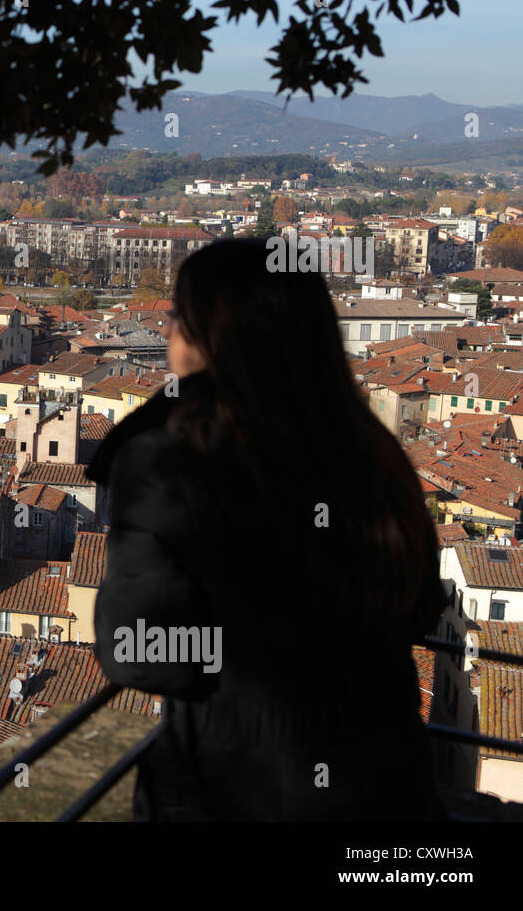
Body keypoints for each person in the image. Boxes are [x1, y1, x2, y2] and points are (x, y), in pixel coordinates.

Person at [87, 238, 448, 820]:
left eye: (179, 316)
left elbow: (135, 651)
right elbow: (422, 605)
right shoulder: (371, 451)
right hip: (388, 792)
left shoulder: (170, 461)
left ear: (209, 337)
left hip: (236, 790)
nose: (171, 332)